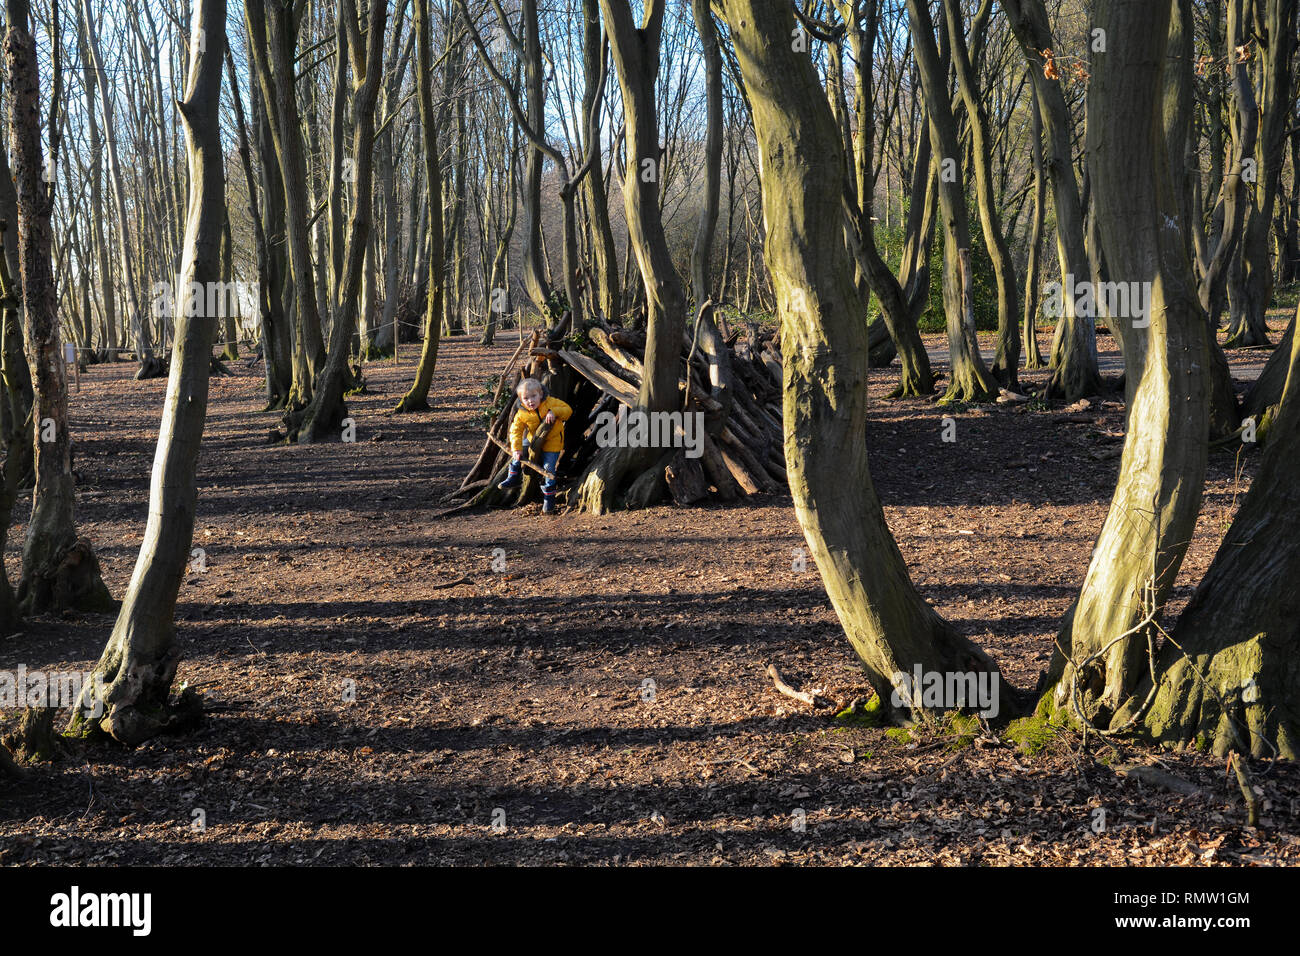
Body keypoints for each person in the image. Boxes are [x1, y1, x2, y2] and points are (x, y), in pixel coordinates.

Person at [498, 377, 572, 514]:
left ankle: (549, 501)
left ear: (541, 395)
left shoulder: (551, 403)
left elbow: (568, 410)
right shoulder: (522, 413)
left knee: (549, 470)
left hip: (552, 442)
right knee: (517, 452)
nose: (530, 401)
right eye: (526, 398)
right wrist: (517, 449)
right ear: (521, 400)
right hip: (533, 441)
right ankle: (513, 476)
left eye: (533, 396)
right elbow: (515, 431)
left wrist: (554, 412)